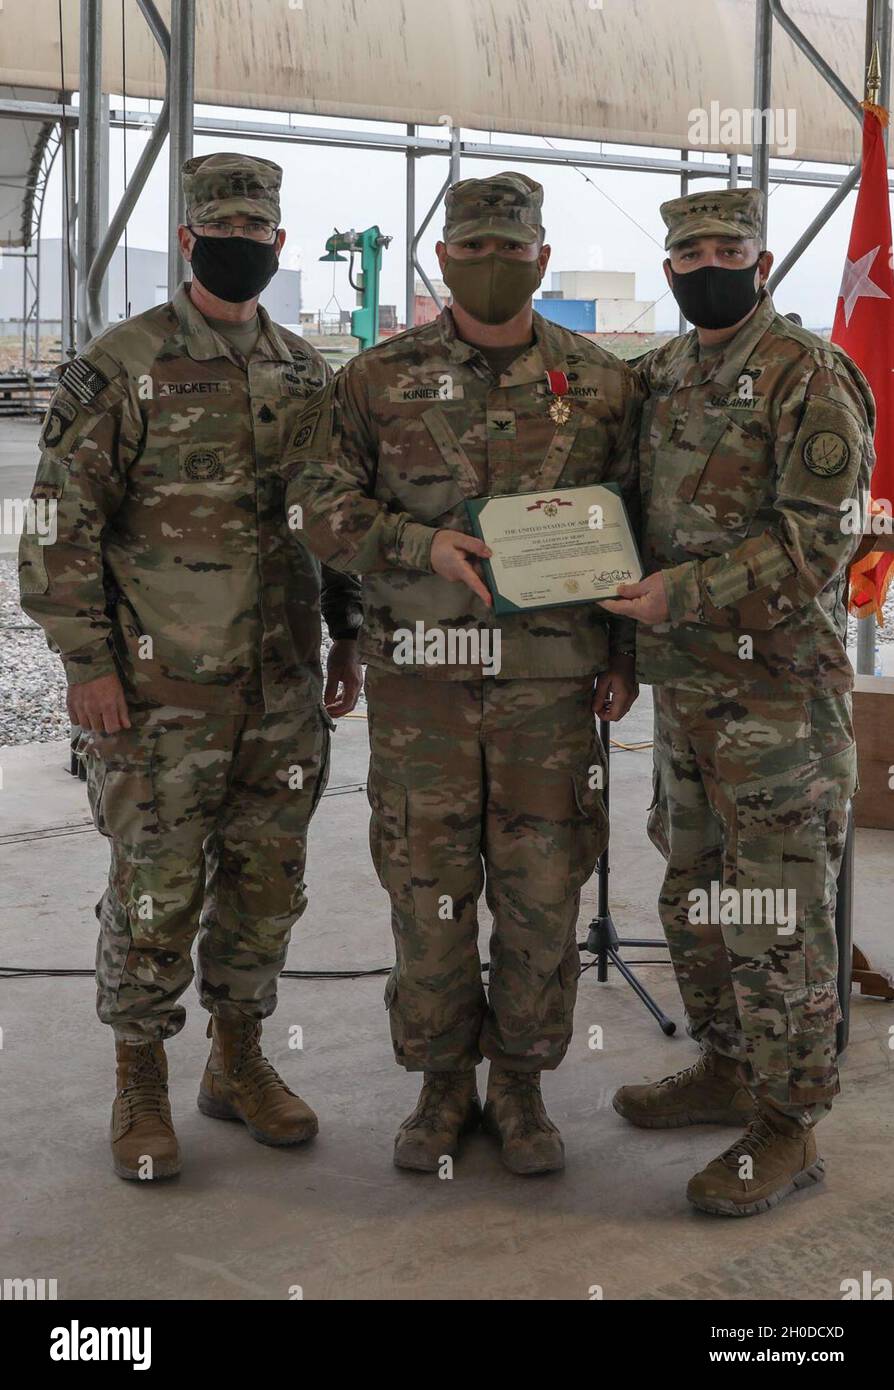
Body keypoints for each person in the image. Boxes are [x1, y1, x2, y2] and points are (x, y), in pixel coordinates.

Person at [285, 172, 643, 1175]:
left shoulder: (604, 384)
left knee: (540, 893)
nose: (493, 266)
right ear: (442, 259)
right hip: (422, 695)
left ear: (541, 255)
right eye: (473, 250)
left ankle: (522, 1086)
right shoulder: (373, 379)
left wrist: (623, 655)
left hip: (550, 690)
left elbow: (634, 526)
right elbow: (316, 505)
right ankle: (443, 1084)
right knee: (428, 891)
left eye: (512, 250)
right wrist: (412, 542)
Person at [19, 153, 363, 1181]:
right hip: (157, 693)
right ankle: (140, 1080)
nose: (241, 246)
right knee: (156, 893)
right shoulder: (122, 364)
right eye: (224, 231)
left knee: (267, 885)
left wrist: (346, 633)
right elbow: (55, 526)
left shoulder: (308, 372)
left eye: (258, 234)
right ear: (187, 242)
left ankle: (238, 1061)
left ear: (280, 246)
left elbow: (330, 518)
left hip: (282, 687)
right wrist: (85, 662)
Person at [603, 187, 875, 1216]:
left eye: (731, 247)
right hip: (686, 698)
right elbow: (630, 528)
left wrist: (687, 592)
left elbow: (821, 539)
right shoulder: (662, 376)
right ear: (670, 268)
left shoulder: (810, 375)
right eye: (693, 250)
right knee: (694, 898)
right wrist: (628, 647)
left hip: (780, 710)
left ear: (760, 262)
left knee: (776, 920)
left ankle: (789, 1122)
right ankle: (725, 1066)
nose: (710, 262)